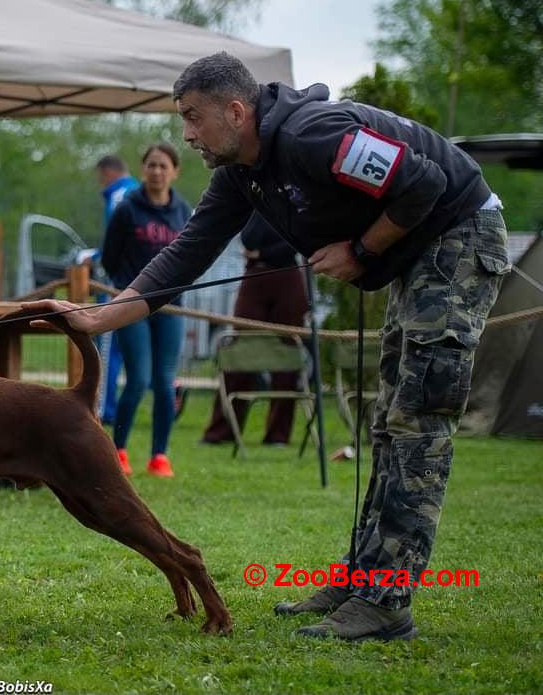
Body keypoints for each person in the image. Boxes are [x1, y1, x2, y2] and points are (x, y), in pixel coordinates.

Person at [27, 52, 509, 641]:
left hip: (459, 232)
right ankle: (362, 581)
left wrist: (360, 250)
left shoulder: (313, 136)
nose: (187, 134)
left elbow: (426, 184)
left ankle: (386, 603)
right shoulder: (240, 173)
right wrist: (94, 318)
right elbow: (186, 253)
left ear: (236, 110)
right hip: (419, 250)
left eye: (194, 117)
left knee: (417, 419)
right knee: (388, 421)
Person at [100, 143, 192, 478]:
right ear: (143, 170)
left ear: (174, 171)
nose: (156, 171)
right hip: (133, 303)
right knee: (137, 379)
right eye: (151, 165)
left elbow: (190, 256)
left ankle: (159, 456)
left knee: (165, 383)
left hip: (171, 307)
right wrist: (127, 288)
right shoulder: (127, 209)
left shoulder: (183, 211)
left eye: (163, 166)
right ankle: (119, 451)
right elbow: (110, 256)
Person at [201, 214, 307, 445]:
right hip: (255, 275)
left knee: (287, 357)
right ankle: (223, 430)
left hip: (288, 275)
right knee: (241, 353)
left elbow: (298, 239)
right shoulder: (257, 198)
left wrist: (265, 252)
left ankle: (278, 435)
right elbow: (249, 238)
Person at [93, 155, 140, 425]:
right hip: (140, 283)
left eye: (101, 177)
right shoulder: (138, 190)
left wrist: (100, 257)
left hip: (117, 281)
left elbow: (117, 238)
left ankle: (104, 408)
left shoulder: (120, 194)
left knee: (107, 348)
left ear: (108, 171)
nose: (101, 183)